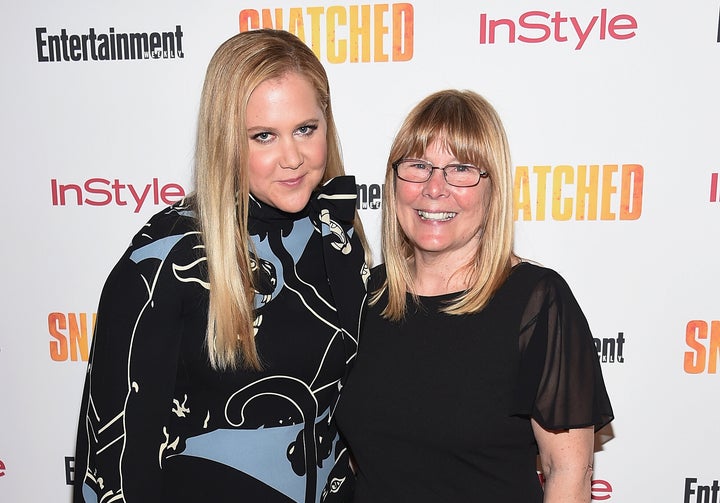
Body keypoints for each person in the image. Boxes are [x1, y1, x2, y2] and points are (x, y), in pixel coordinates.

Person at [73, 29, 369, 503]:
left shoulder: (337, 235)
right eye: (264, 136)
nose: (291, 157)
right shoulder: (166, 257)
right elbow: (112, 464)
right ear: (226, 138)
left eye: (305, 129)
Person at [335, 89, 613, 502]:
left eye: (461, 169)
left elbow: (566, 470)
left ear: (492, 187)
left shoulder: (537, 303)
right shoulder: (364, 295)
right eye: (418, 166)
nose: (434, 188)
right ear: (394, 180)